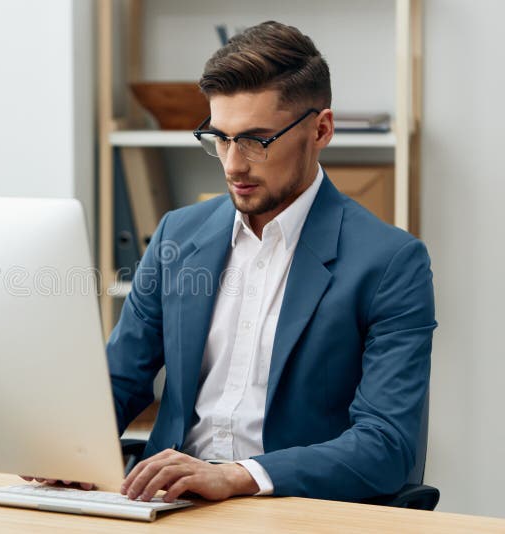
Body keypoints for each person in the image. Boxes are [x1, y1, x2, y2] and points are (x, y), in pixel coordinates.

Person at [110, 21, 437, 503]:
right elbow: (119, 379)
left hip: (292, 508)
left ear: (321, 129)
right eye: (219, 138)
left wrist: (238, 475)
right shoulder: (177, 236)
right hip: (166, 504)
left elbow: (386, 446)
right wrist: (62, 451)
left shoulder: (391, 263)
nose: (232, 165)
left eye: (256, 140)